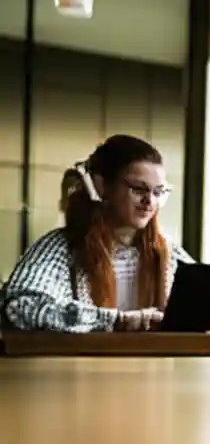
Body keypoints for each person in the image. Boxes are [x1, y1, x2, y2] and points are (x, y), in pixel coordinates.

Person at [1, 134, 194, 332]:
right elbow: (20, 307)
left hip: (155, 364)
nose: (150, 202)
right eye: (138, 189)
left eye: (158, 192)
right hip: (80, 363)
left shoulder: (169, 252)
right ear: (101, 186)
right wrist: (118, 321)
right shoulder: (64, 247)